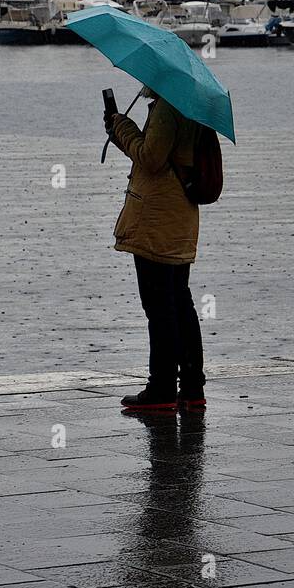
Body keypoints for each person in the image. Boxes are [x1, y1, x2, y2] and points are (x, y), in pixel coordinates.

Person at [105, 87, 207, 412]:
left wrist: (122, 127)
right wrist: (125, 134)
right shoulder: (190, 103)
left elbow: (151, 159)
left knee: (160, 306)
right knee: (180, 302)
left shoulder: (167, 107)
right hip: (180, 215)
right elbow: (165, 157)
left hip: (156, 220)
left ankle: (161, 388)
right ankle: (192, 388)